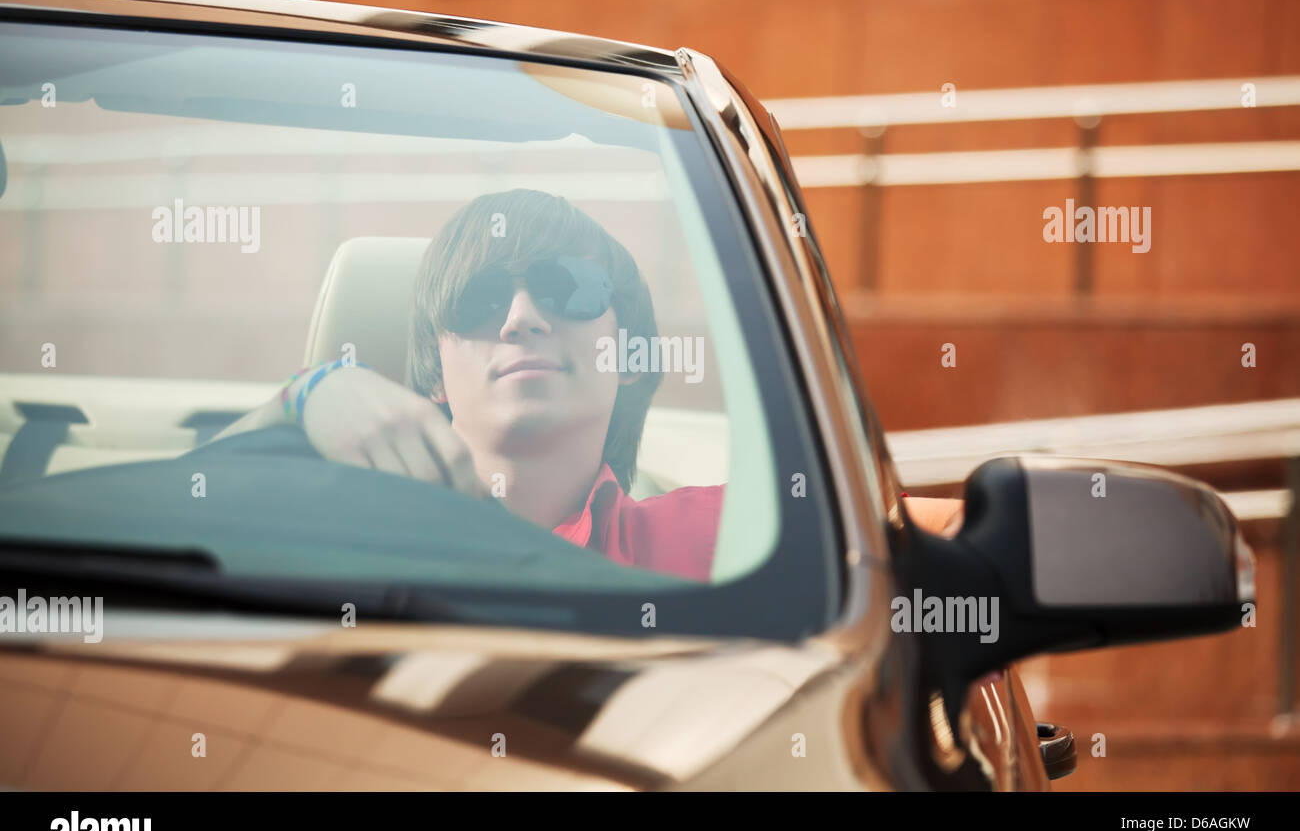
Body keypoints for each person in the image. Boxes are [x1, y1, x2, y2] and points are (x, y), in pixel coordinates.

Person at [215, 188, 961, 581]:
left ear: (630, 352)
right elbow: (159, 513)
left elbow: (969, 544)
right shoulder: (336, 533)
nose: (519, 318)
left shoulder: (725, 540)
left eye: (566, 288)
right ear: (434, 371)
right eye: (478, 301)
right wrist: (310, 394)